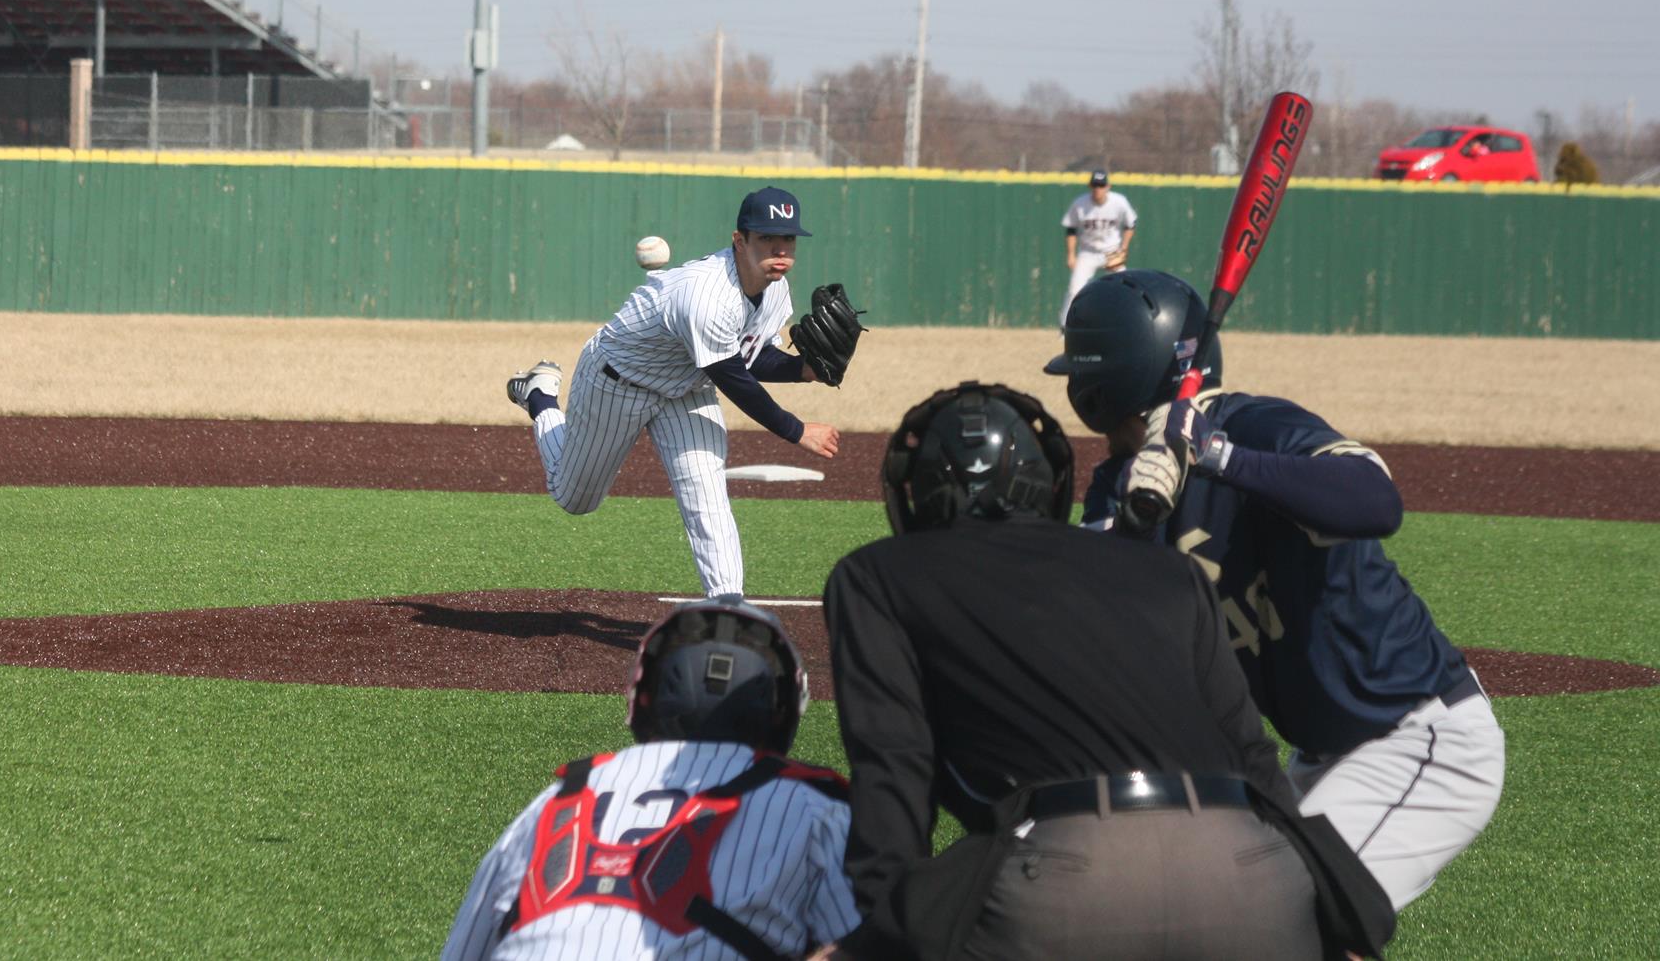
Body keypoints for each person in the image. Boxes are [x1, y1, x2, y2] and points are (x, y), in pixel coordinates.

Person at [819, 382, 1390, 960]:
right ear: (1049, 482)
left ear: (914, 492)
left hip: (1063, 879)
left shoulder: (875, 575)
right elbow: (1254, 761)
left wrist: (874, 940)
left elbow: (895, 773)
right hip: (1253, 874)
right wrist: (1338, 913)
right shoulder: (1170, 571)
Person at [1045, 269, 1506, 911]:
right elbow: (1106, 639)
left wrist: (1218, 457)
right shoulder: (1122, 486)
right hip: (1322, 757)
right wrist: (1135, 518)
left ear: (1099, 380)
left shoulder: (1255, 425)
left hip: (1418, 738)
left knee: (1295, 919)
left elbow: (1375, 503)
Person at [442, 597, 861, 960]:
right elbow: (870, 943)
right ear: (783, 708)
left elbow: (464, 949)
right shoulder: (811, 804)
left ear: (646, 695)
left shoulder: (566, 793)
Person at [506, 187, 841, 598]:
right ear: (740, 241)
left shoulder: (775, 291)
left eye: (787, 238)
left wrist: (804, 370)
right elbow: (732, 376)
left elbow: (752, 357)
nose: (780, 248)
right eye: (766, 238)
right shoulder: (705, 295)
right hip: (621, 379)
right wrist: (796, 429)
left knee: (706, 490)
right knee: (575, 498)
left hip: (687, 388)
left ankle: (728, 604)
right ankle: (541, 397)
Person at [1059, 170, 1136, 327]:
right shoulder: (1080, 204)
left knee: (1123, 288)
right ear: (1090, 186)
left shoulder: (1119, 202)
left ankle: (1125, 325)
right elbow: (1071, 229)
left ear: (1108, 186)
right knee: (1075, 288)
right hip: (1088, 252)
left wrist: (1124, 248)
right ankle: (1065, 326)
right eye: (1095, 185)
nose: (1098, 189)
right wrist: (1071, 255)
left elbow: (1130, 224)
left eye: (1101, 186)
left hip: (1112, 252)